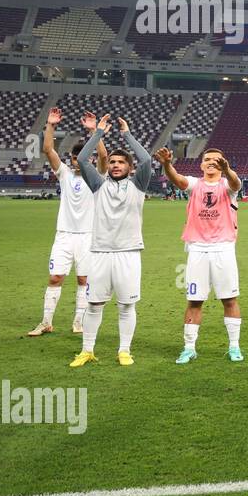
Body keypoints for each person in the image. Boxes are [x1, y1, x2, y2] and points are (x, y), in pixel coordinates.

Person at [68, 115, 154, 368]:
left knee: (127, 305)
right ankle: (87, 351)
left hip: (128, 253)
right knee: (94, 304)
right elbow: (83, 159)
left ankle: (124, 351)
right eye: (113, 162)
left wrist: (126, 134)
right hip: (100, 253)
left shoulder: (139, 185)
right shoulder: (98, 184)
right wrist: (98, 134)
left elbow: (147, 159)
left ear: (129, 167)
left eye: (121, 162)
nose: (116, 165)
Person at [156, 146, 244, 363]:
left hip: (223, 248)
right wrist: (167, 164)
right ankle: (189, 348)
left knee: (229, 299)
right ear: (201, 164)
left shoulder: (228, 185)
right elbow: (177, 180)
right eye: (207, 159)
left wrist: (228, 169)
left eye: (217, 159)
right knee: (194, 300)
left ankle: (234, 347)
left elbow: (236, 183)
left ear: (223, 163)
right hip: (197, 248)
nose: (212, 162)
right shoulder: (195, 184)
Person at [28, 108, 107, 338]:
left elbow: (104, 157)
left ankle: (78, 322)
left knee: (83, 279)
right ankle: (46, 322)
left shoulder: (97, 176)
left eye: (80, 158)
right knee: (55, 278)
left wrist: (94, 131)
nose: (76, 162)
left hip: (87, 236)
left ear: (88, 159)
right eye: (73, 158)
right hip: (63, 235)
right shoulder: (64, 174)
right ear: (70, 159)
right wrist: (51, 125)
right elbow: (47, 149)